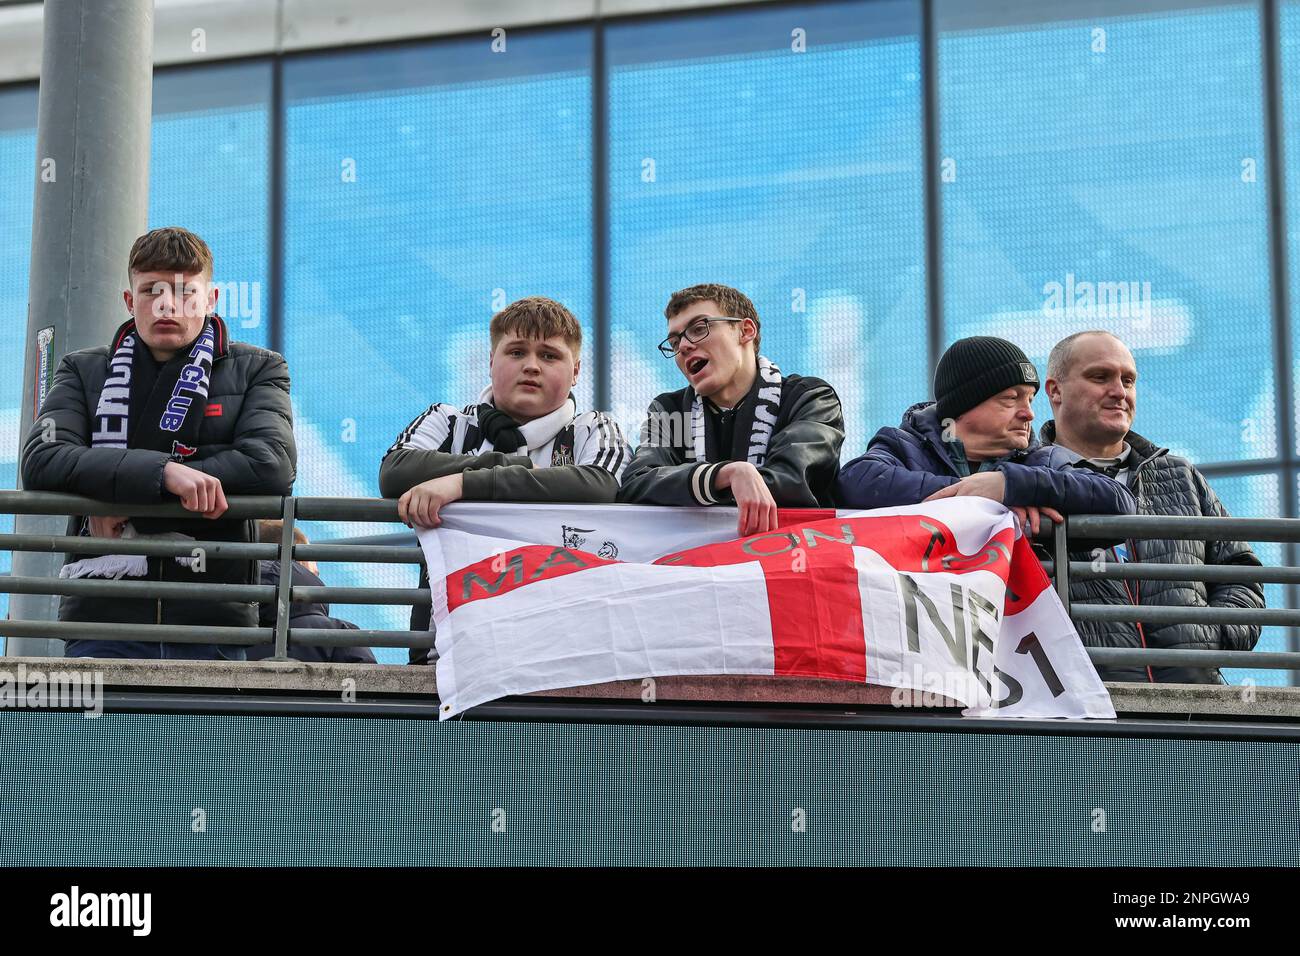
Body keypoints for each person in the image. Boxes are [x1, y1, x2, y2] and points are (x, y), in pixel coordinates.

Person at [20, 226, 296, 659]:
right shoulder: (83, 369)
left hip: (213, 617)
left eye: (186, 292)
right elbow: (43, 458)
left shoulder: (258, 368)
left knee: (212, 730)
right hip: (103, 614)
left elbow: (272, 464)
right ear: (130, 302)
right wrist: (166, 473)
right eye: (152, 290)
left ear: (212, 300)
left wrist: (126, 491)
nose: (168, 304)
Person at [379, 295, 630, 663]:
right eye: (516, 352)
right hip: (448, 655)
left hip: (571, 653)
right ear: (490, 362)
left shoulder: (595, 428)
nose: (531, 366)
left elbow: (601, 485)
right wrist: (509, 466)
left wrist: (464, 485)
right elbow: (396, 470)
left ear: (576, 371)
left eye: (549, 355)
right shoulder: (447, 420)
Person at [1040, 330, 1263, 683]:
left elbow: (1243, 574)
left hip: (1195, 707)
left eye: (1128, 380)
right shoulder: (1029, 481)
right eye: (1100, 377)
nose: (1119, 392)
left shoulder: (1180, 474)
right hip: (1082, 715)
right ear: (1055, 390)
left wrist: (1209, 638)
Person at [836, 335, 1135, 531]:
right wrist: (982, 497)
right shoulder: (904, 444)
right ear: (964, 406)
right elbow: (856, 482)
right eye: (1010, 399)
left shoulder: (1042, 461)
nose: (1028, 413)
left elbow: (1119, 502)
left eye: (1030, 399)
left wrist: (1008, 484)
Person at [617, 283, 844, 535]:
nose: (683, 347)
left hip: (790, 565)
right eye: (674, 342)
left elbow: (791, 483)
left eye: (699, 328)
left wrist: (696, 490)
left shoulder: (810, 397)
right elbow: (637, 485)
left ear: (745, 331)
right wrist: (726, 475)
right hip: (696, 570)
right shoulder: (669, 411)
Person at [247, 521, 376, 665]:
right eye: (315, 573)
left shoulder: (221, 633)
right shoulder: (338, 634)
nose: (317, 578)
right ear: (301, 564)